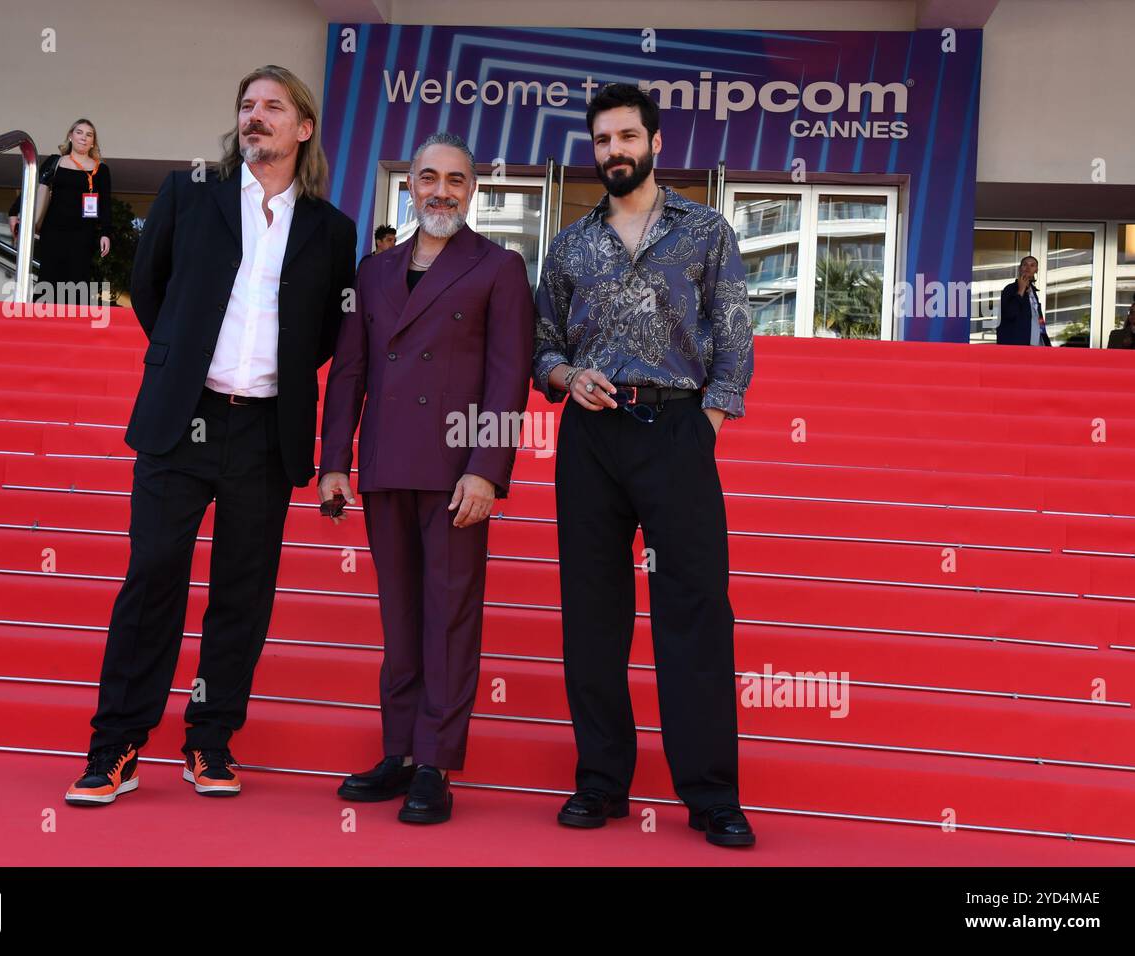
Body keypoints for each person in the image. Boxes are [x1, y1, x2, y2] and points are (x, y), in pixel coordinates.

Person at [64, 65, 356, 806]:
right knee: (152, 578)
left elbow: (325, 331)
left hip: (264, 431)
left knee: (242, 594)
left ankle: (211, 739)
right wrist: (185, 359)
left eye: (272, 107)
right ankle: (117, 747)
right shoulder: (188, 193)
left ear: (304, 128)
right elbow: (153, 288)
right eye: (247, 106)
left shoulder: (332, 228)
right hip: (179, 422)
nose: (255, 117)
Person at [532, 83, 756, 847]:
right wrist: (564, 377)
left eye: (627, 137)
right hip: (591, 438)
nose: (614, 152)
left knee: (694, 612)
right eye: (601, 141)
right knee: (592, 613)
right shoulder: (568, 245)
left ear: (656, 143)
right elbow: (543, 344)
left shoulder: (706, 230)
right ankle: (600, 781)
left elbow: (734, 334)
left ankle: (711, 794)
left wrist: (708, 424)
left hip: (677, 430)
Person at [319, 132, 534, 825]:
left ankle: (435, 764)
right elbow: (349, 370)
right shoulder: (373, 271)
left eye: (457, 180)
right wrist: (333, 462)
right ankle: (400, 753)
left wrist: (487, 472)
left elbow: (508, 378)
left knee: (449, 616)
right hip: (385, 466)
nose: (442, 190)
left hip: (454, 472)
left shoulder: (499, 267)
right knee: (400, 616)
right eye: (429, 178)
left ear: (474, 191)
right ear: (409, 186)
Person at [9, 119, 112, 304]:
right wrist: (14, 211)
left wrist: (105, 232)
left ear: (93, 142)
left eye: (89, 135)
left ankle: (73, 326)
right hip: (53, 230)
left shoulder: (101, 170)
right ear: (70, 136)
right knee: (49, 275)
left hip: (83, 233)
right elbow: (32, 186)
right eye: (79, 132)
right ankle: (41, 323)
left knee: (77, 278)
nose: (84, 137)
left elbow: (105, 203)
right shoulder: (55, 161)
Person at [997, 256, 1050, 346]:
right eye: (1025, 265)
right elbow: (1010, 313)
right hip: (1017, 346)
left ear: (1036, 270)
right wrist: (1021, 290)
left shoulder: (1033, 291)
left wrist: (1046, 342)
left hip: (1036, 344)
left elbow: (1039, 318)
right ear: (1020, 268)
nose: (1028, 268)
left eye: (1032, 265)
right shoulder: (1010, 289)